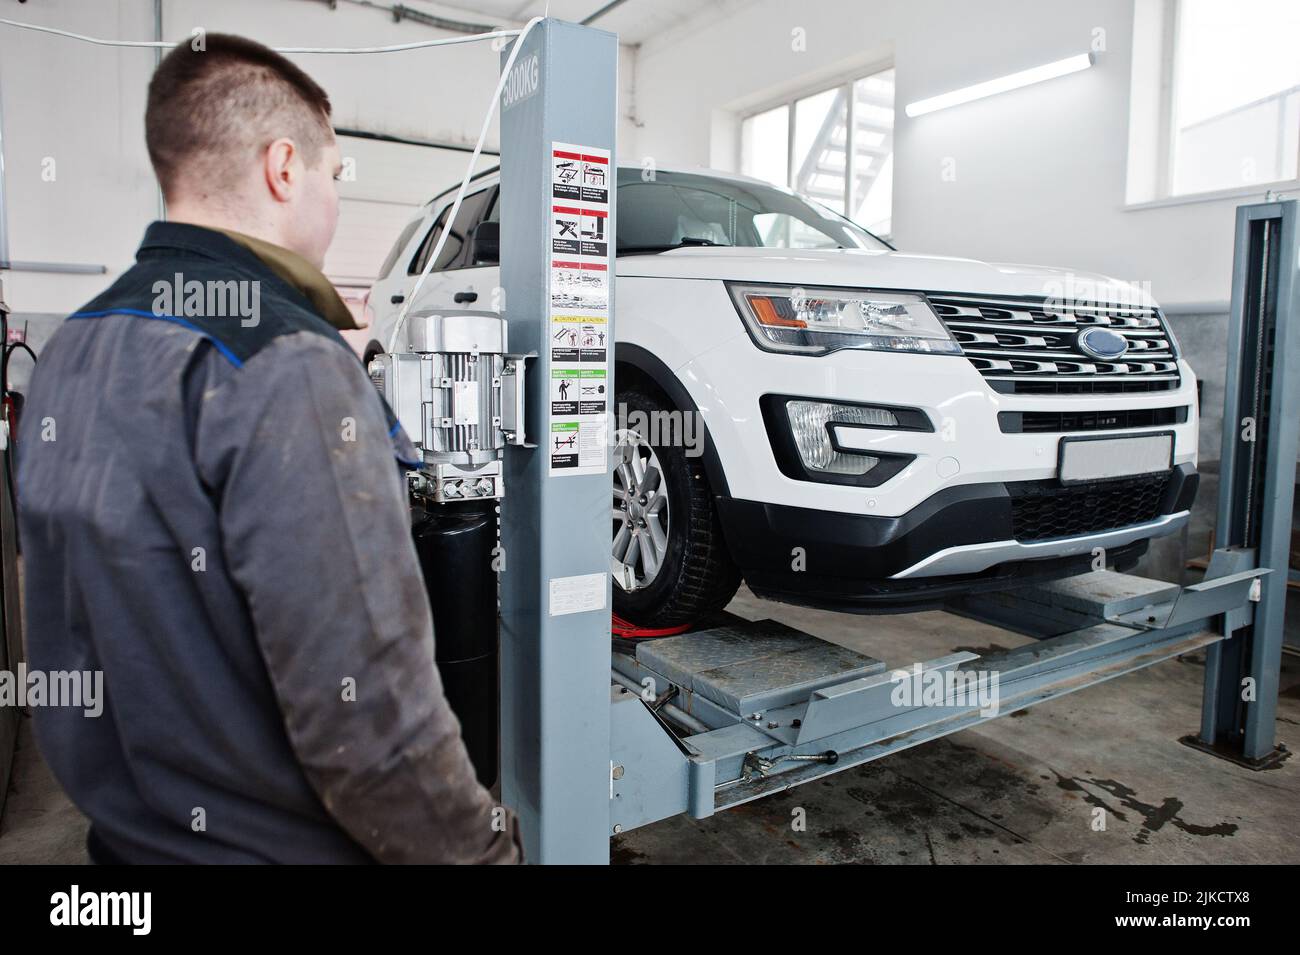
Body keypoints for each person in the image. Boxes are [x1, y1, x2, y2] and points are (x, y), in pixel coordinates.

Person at [17, 33, 522, 864]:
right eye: (335, 174)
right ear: (284, 167)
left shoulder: (73, 347)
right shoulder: (290, 367)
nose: (334, 198)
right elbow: (373, 725)